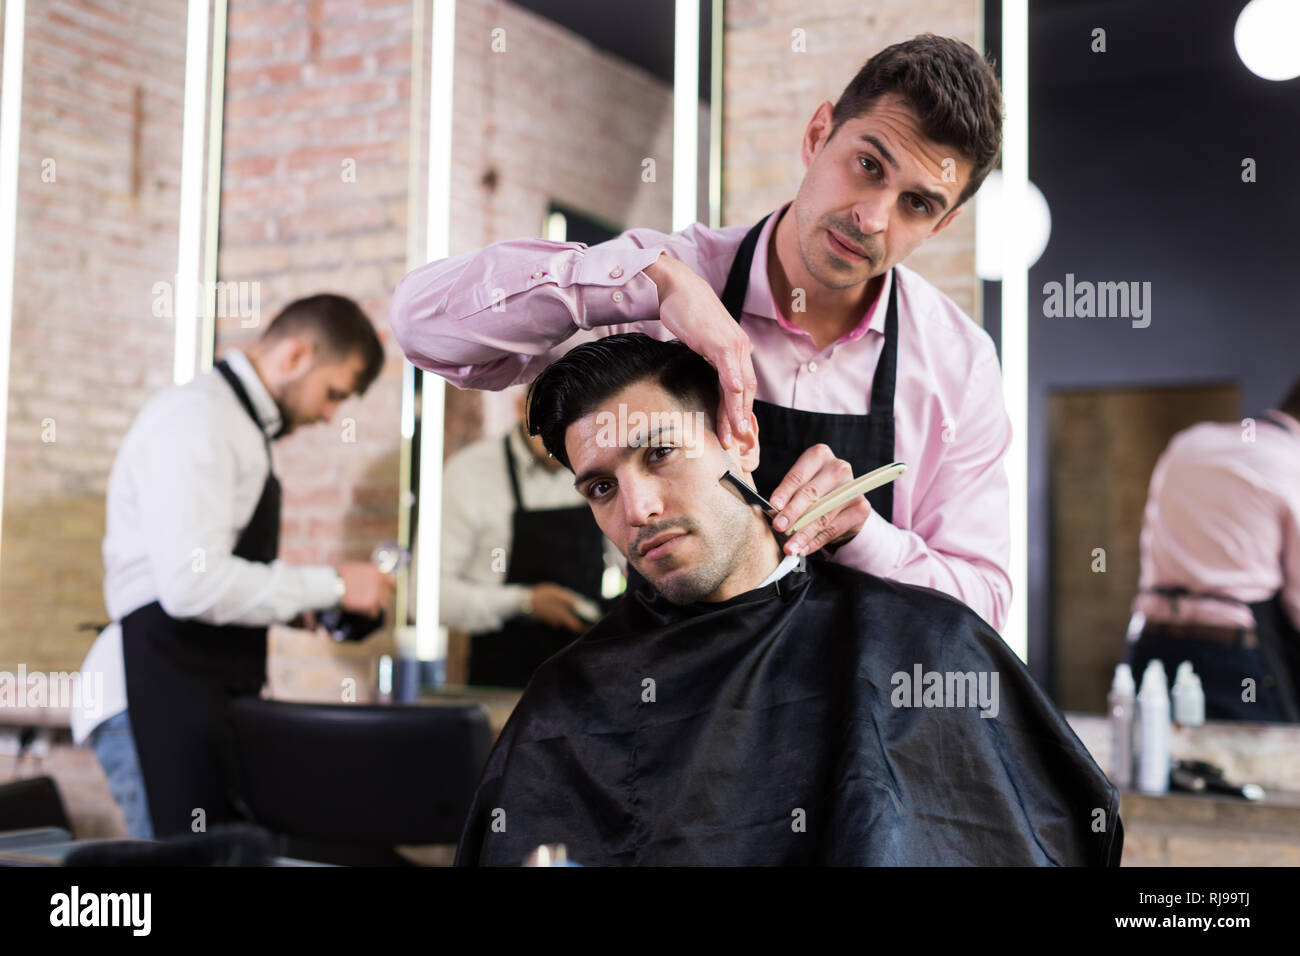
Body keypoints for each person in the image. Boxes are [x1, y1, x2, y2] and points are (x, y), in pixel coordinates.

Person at [390, 34, 1013, 631]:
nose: (873, 217)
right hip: (674, 715)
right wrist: (653, 284)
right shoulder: (657, 285)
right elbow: (423, 326)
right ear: (818, 134)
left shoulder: (957, 364)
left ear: (944, 224)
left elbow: (982, 608)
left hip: (860, 727)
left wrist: (865, 535)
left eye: (918, 203)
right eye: (869, 165)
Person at [454, 334, 1122, 866]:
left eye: (660, 452)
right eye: (601, 488)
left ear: (739, 440)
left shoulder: (923, 643)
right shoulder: (569, 697)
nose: (639, 508)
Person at [71, 294, 397, 838]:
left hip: (199, 690)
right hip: (149, 691)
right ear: (296, 356)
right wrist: (334, 583)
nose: (327, 415)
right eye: (332, 394)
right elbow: (190, 585)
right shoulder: (199, 416)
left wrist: (307, 609)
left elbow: (212, 575)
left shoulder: (241, 429)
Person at [1127, 377, 1300, 723]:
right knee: (1252, 775)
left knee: (1145, 769)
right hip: (1235, 660)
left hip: (1150, 644)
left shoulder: (1190, 443)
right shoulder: (1291, 463)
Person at [441, 389, 624, 687]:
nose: (563, 443)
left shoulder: (601, 465)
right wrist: (525, 602)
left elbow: (628, 563)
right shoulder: (469, 474)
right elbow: (430, 597)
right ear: (521, 409)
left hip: (589, 676)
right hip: (504, 678)